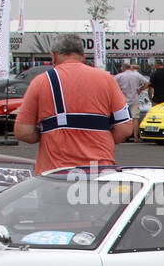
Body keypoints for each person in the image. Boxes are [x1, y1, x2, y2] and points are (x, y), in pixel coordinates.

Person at [13, 33, 133, 172]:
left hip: (55, 173)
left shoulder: (41, 82)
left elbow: (23, 132)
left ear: (53, 56)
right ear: (82, 55)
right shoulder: (107, 79)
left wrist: (50, 134)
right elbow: (125, 128)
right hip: (100, 170)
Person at [114, 62, 150, 142]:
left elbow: (112, 84)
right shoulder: (137, 75)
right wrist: (141, 89)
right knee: (135, 118)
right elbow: (147, 82)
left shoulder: (119, 76)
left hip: (122, 100)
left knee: (123, 119)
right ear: (130, 67)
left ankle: (123, 137)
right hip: (134, 99)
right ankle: (135, 136)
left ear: (122, 68)